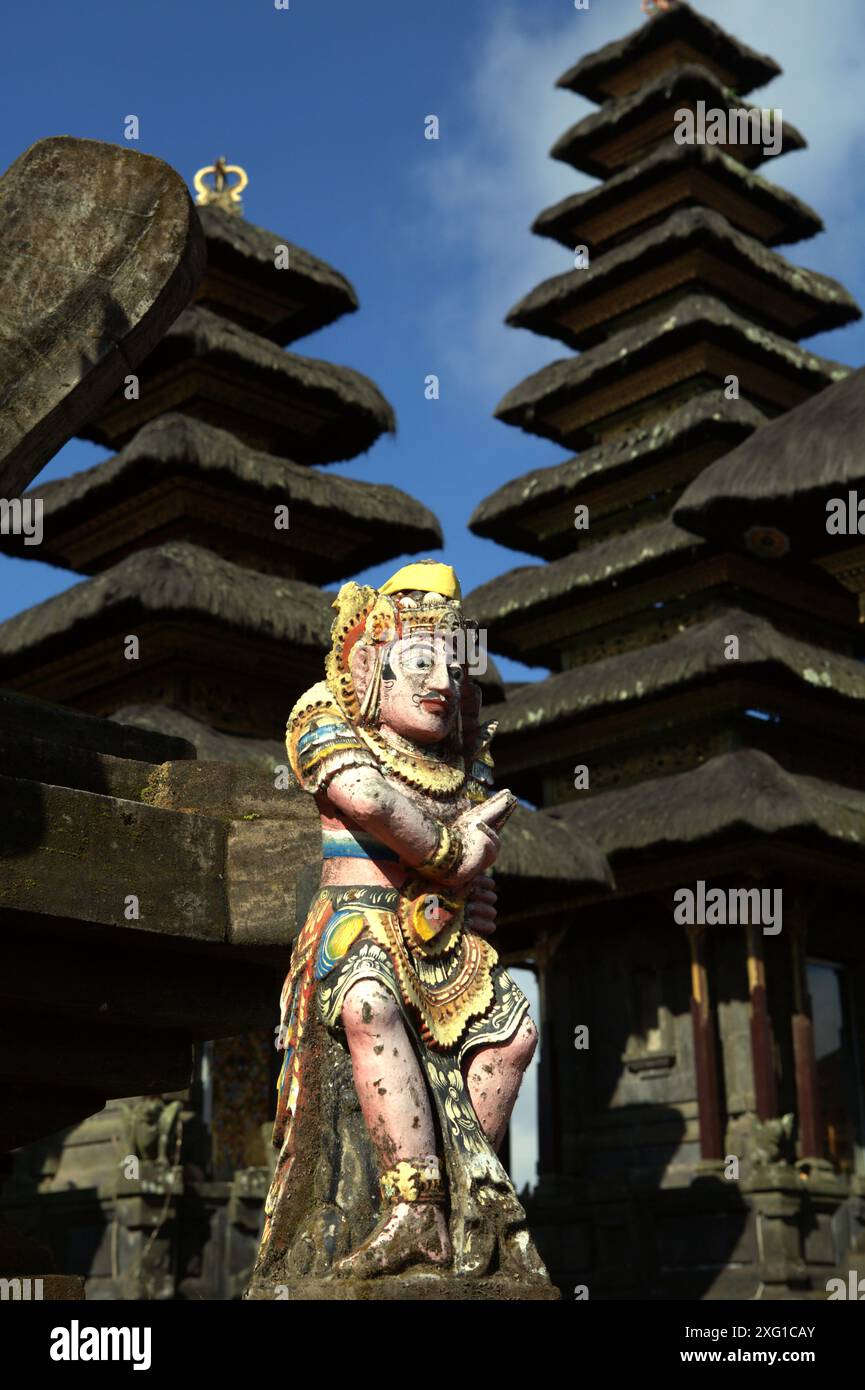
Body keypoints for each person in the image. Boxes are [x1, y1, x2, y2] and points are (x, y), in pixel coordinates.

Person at [248, 561, 552, 1290]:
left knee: (514, 1031)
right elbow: (372, 802)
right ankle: (412, 1204)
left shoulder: (462, 762)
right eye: (419, 662)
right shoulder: (325, 718)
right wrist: (455, 853)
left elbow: (478, 873)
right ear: (367, 666)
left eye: (452, 666)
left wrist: (474, 892)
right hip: (361, 929)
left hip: (445, 945)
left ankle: (466, 1191)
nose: (441, 681)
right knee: (367, 1004)